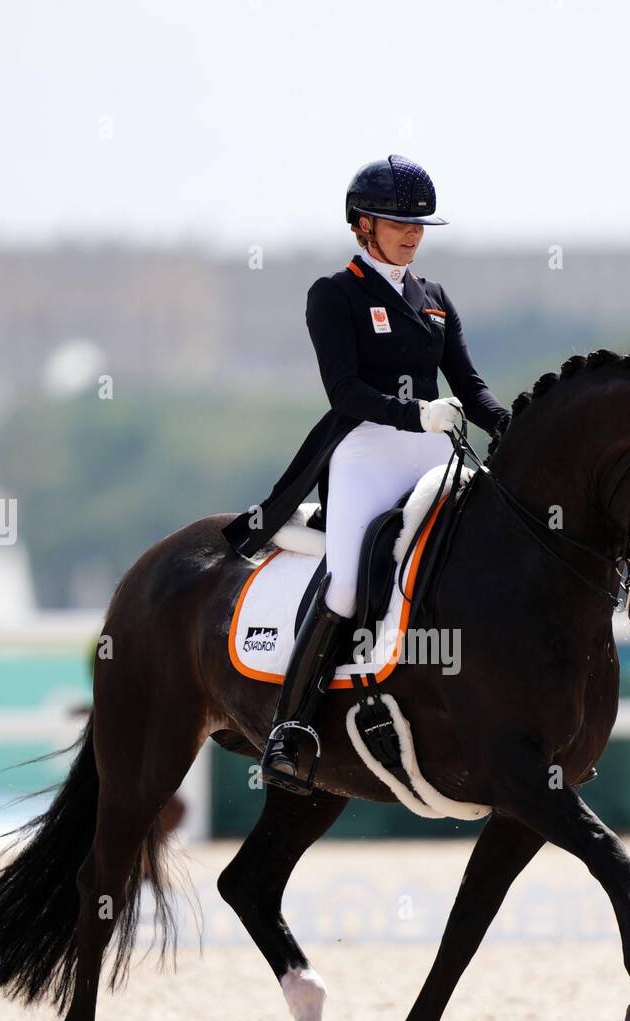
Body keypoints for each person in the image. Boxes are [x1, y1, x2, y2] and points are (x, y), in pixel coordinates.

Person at [222, 154, 510, 795]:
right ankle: (291, 733)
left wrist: (509, 424)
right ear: (362, 225)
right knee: (349, 586)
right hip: (365, 449)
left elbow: (470, 383)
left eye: (419, 224)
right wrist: (413, 412)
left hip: (435, 448)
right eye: (397, 221)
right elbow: (344, 390)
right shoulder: (336, 294)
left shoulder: (433, 299)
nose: (411, 233)